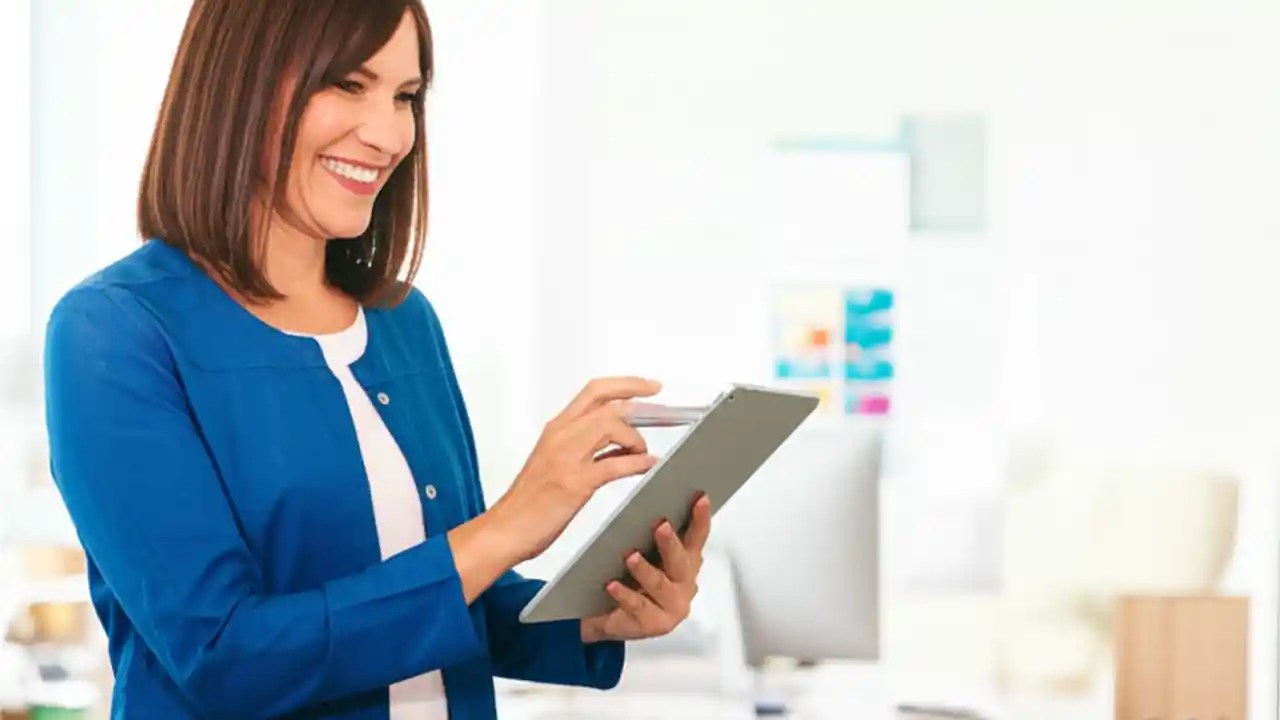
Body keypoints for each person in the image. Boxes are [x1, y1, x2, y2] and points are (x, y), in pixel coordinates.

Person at [42, 1, 711, 718]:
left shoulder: (403, 323)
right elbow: (224, 655)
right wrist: (508, 525)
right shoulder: (114, 332)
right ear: (239, 82)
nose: (388, 133)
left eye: (406, 97)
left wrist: (594, 614)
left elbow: (439, 606)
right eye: (348, 85)